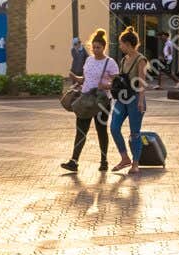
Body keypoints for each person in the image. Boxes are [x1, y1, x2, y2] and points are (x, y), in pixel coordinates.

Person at [61, 29, 118, 173]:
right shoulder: (89, 60)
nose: (95, 50)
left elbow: (117, 84)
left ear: (103, 47)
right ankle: (74, 161)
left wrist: (106, 85)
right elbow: (86, 79)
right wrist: (76, 78)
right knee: (81, 131)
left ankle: (104, 161)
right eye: (93, 47)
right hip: (85, 100)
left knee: (101, 131)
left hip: (101, 101)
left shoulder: (110, 62)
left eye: (98, 47)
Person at [108, 26, 149, 175]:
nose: (120, 46)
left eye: (121, 43)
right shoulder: (124, 59)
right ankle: (125, 158)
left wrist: (140, 101)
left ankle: (135, 163)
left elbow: (142, 82)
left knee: (135, 133)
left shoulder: (141, 60)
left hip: (135, 99)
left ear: (128, 43)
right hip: (122, 98)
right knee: (114, 127)